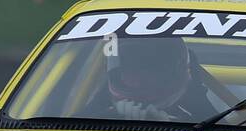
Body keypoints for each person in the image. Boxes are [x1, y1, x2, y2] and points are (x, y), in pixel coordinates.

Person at [85, 35, 215, 122]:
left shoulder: (209, 124)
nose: (138, 81)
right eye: (130, 66)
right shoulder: (76, 124)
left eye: (149, 65)